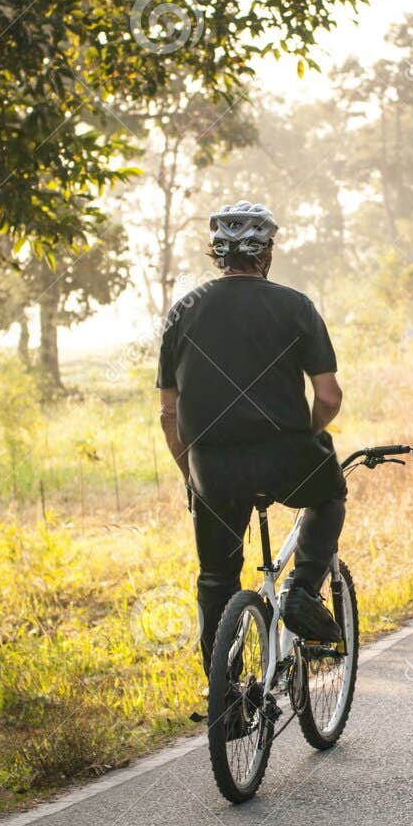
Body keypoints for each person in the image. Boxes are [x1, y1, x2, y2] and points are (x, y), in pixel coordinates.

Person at [156, 201, 346, 678]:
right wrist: (307, 436)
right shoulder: (295, 305)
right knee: (330, 492)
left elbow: (167, 413)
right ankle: (303, 591)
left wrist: (191, 475)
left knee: (216, 579)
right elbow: (327, 396)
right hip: (285, 455)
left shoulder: (182, 312)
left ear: (216, 254)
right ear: (268, 253)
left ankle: (229, 703)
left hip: (211, 466)